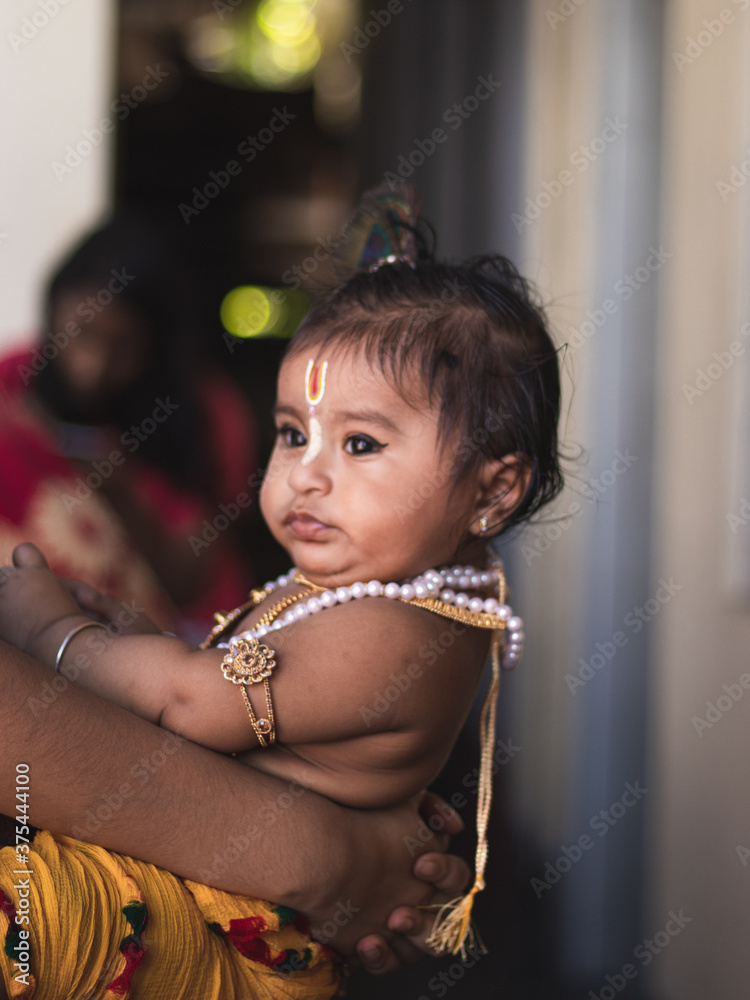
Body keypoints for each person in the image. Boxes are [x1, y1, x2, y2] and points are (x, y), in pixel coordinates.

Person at [0, 183, 563, 997]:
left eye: (361, 442)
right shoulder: (368, 590)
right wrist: (125, 631)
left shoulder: (397, 627)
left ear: (492, 490)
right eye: (293, 434)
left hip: (222, 926)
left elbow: (194, 707)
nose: (306, 474)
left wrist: (53, 632)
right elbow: (222, 688)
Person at [0, 216, 258, 635]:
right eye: (81, 334)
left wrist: (122, 492)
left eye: (124, 347)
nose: (93, 368)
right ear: (52, 311)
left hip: (155, 654)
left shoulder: (203, 414)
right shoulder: (11, 385)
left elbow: (192, 585)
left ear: (157, 344)